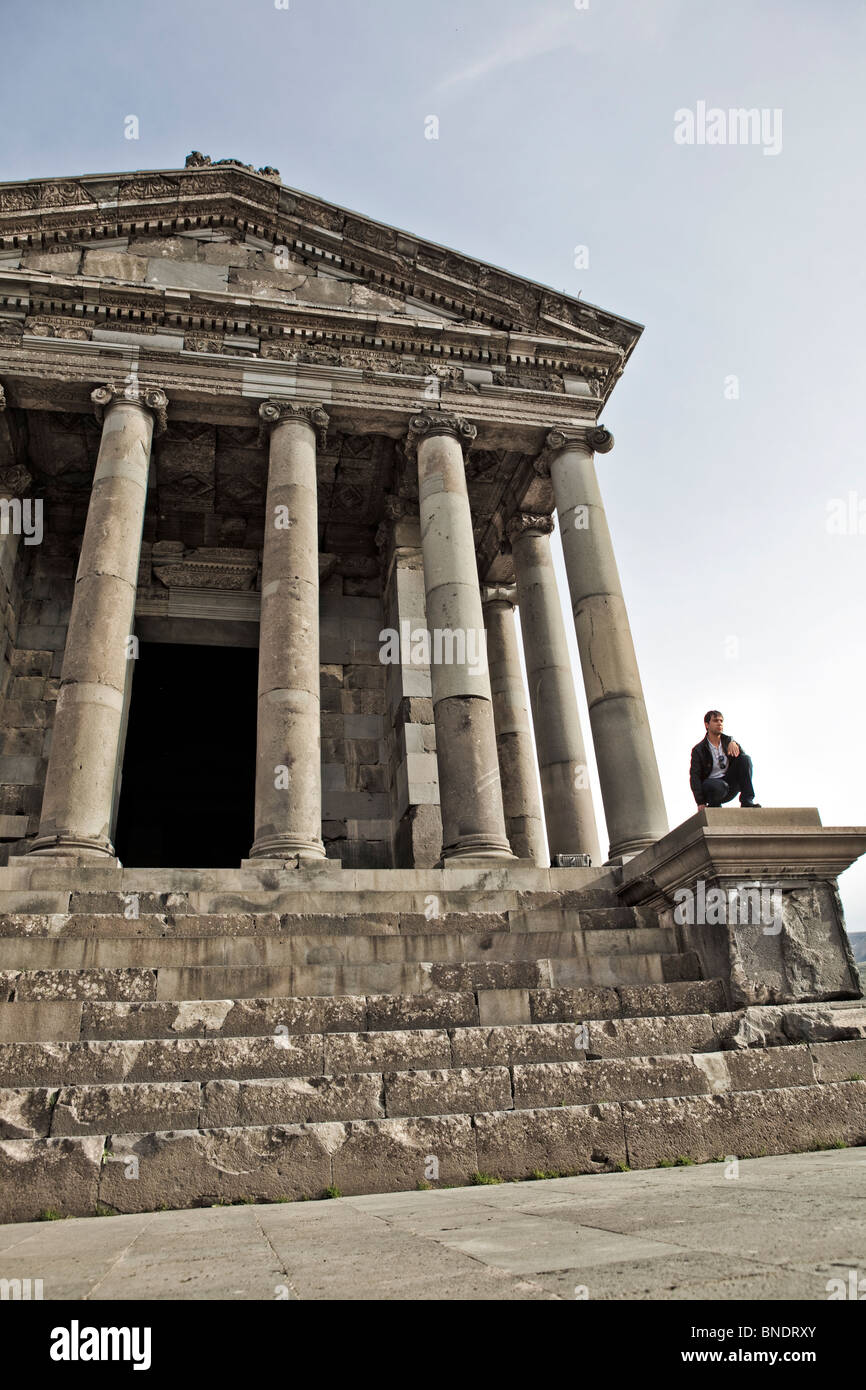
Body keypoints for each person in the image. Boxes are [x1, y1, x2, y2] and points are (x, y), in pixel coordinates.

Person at [689, 709, 761, 809]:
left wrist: (735, 744)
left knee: (745, 759)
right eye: (715, 721)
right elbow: (694, 777)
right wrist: (700, 802)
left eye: (721, 721)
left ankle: (747, 801)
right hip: (711, 787)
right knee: (719, 786)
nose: (719, 723)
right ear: (707, 725)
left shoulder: (729, 743)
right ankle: (714, 805)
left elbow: (745, 766)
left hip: (728, 786)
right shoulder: (698, 750)